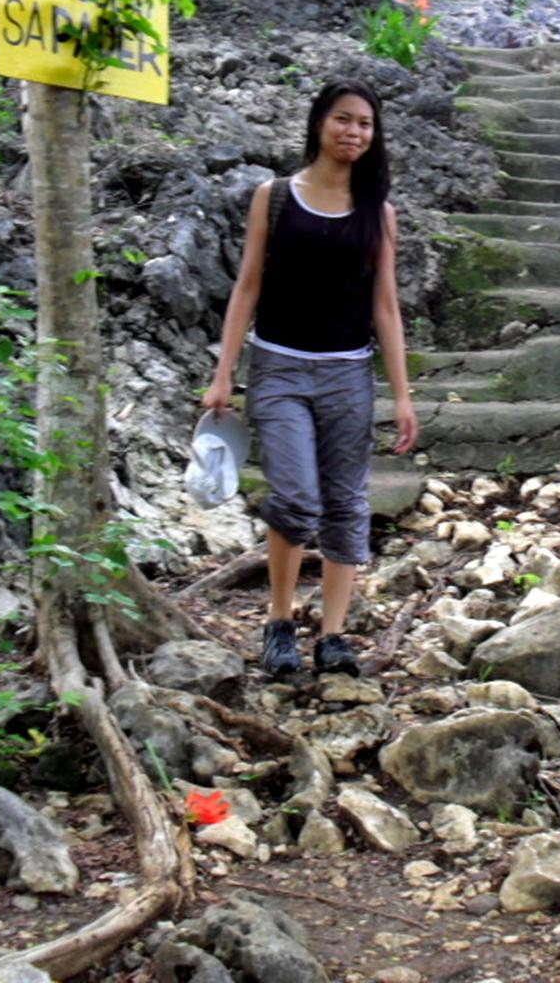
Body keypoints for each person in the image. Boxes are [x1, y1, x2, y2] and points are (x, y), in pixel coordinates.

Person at [202, 79, 418, 676]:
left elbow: (386, 307)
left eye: (365, 124)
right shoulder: (273, 197)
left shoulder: (379, 213)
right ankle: (278, 623)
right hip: (278, 368)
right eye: (343, 120)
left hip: (349, 373)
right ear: (319, 124)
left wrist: (401, 395)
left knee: (347, 503)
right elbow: (246, 286)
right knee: (296, 496)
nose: (354, 132)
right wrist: (223, 375)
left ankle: (334, 635)